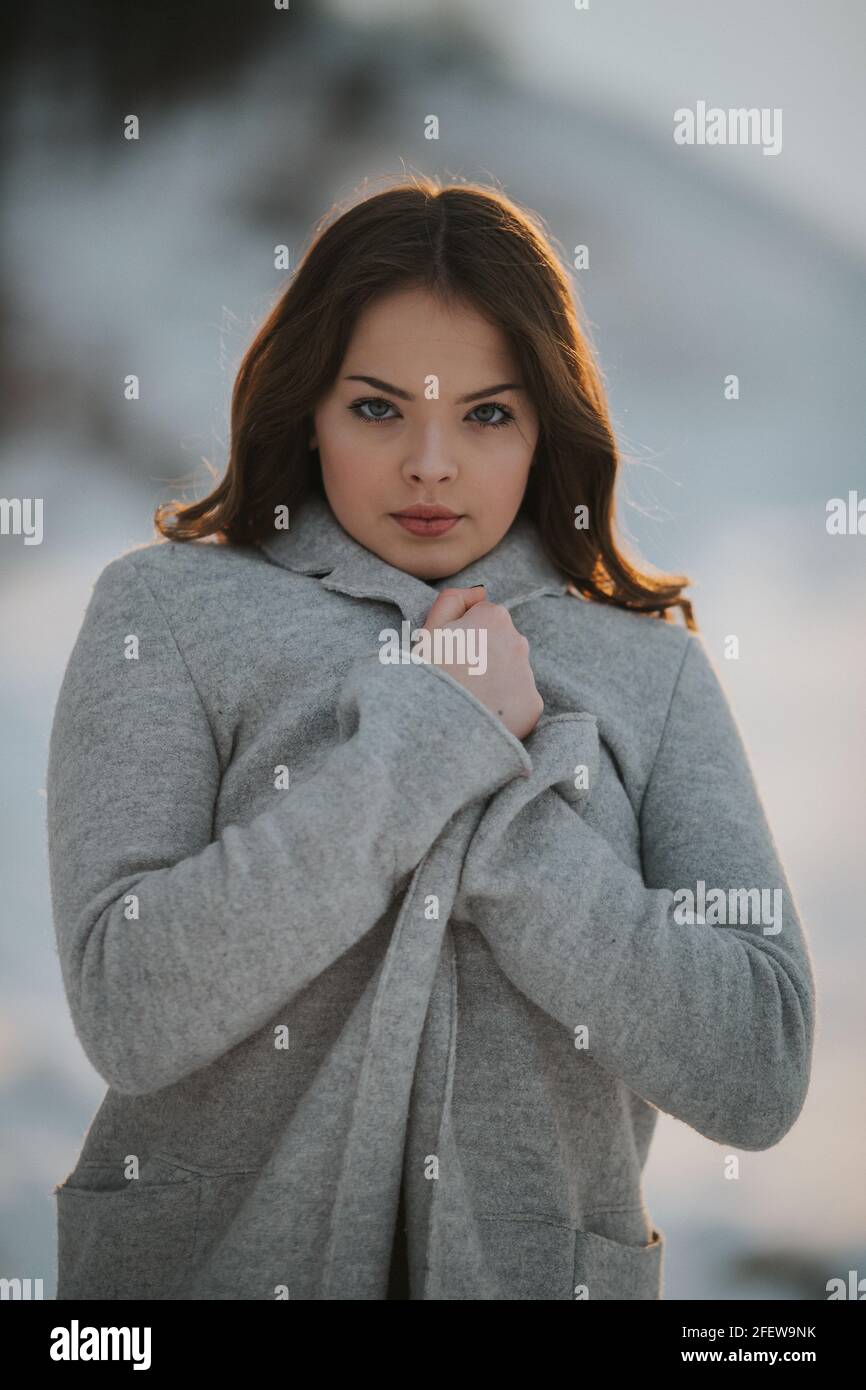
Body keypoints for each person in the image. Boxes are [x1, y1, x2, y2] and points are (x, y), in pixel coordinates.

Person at [46, 178, 816, 1301]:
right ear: (305, 405)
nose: (430, 465)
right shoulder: (165, 615)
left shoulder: (649, 673)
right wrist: (426, 743)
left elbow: (758, 1064)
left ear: (546, 421)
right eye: (376, 408)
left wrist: (510, 835)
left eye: (485, 413)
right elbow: (130, 1004)